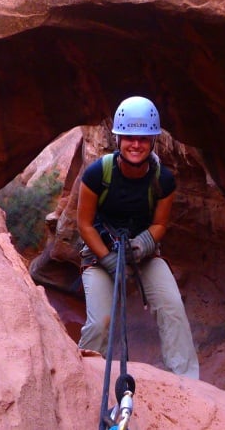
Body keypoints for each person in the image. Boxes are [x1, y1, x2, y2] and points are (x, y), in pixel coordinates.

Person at [76, 96, 199, 379]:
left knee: (173, 310)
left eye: (143, 138)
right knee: (100, 323)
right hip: (100, 254)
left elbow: (159, 224)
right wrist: (108, 260)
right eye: (129, 137)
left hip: (143, 254)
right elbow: (84, 225)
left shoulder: (162, 180)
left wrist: (143, 244)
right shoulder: (98, 174)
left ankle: (188, 382)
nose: (136, 144)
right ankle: (84, 377)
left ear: (152, 141)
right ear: (118, 139)